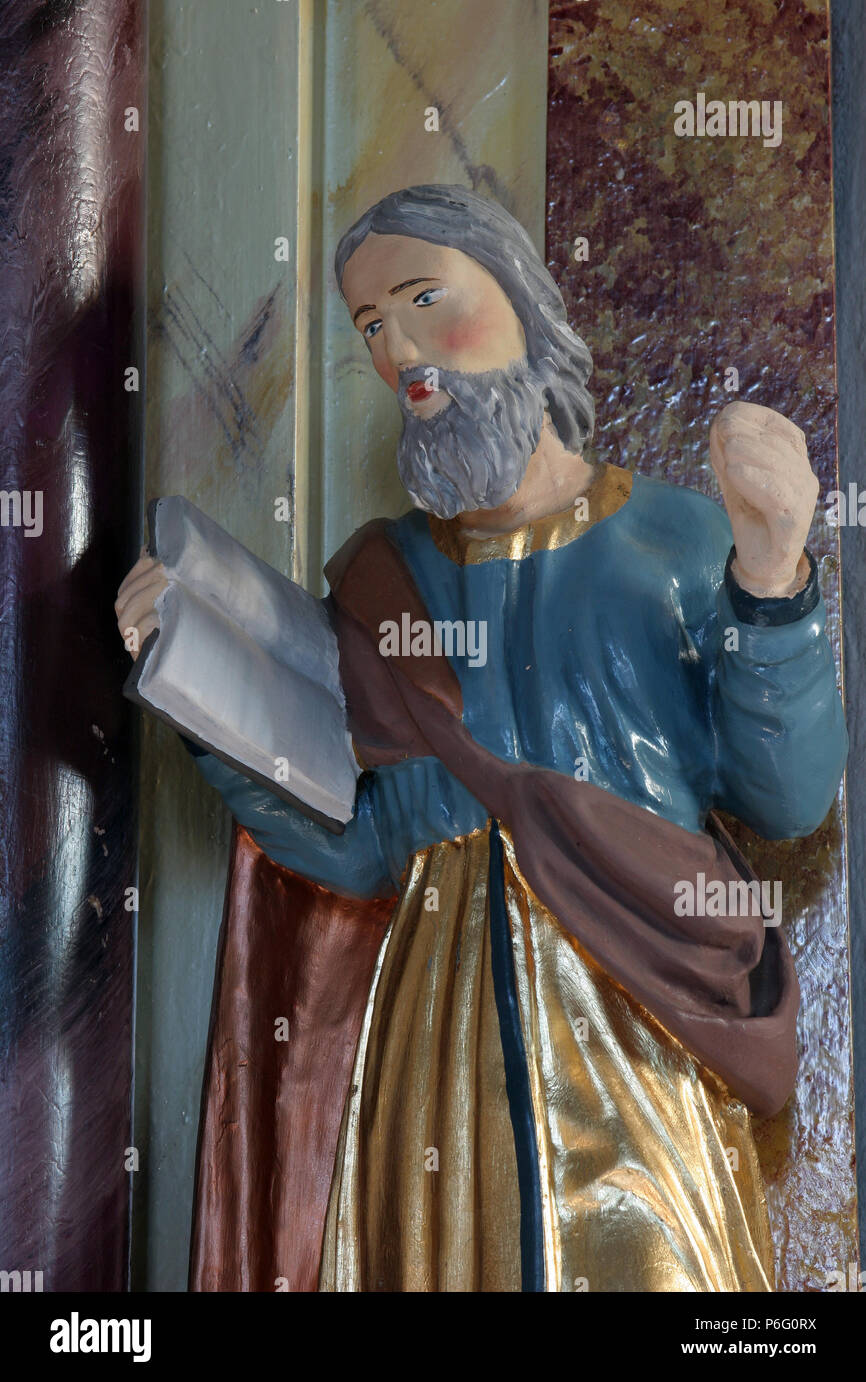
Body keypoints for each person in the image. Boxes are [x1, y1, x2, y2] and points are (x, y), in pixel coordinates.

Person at [116, 184, 847, 1292]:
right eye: (370, 325)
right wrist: (200, 697)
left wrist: (771, 578)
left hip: (637, 1018)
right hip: (437, 1052)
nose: (399, 346)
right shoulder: (382, 576)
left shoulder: (672, 537)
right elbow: (362, 846)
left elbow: (787, 799)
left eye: (422, 298)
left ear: (521, 297)